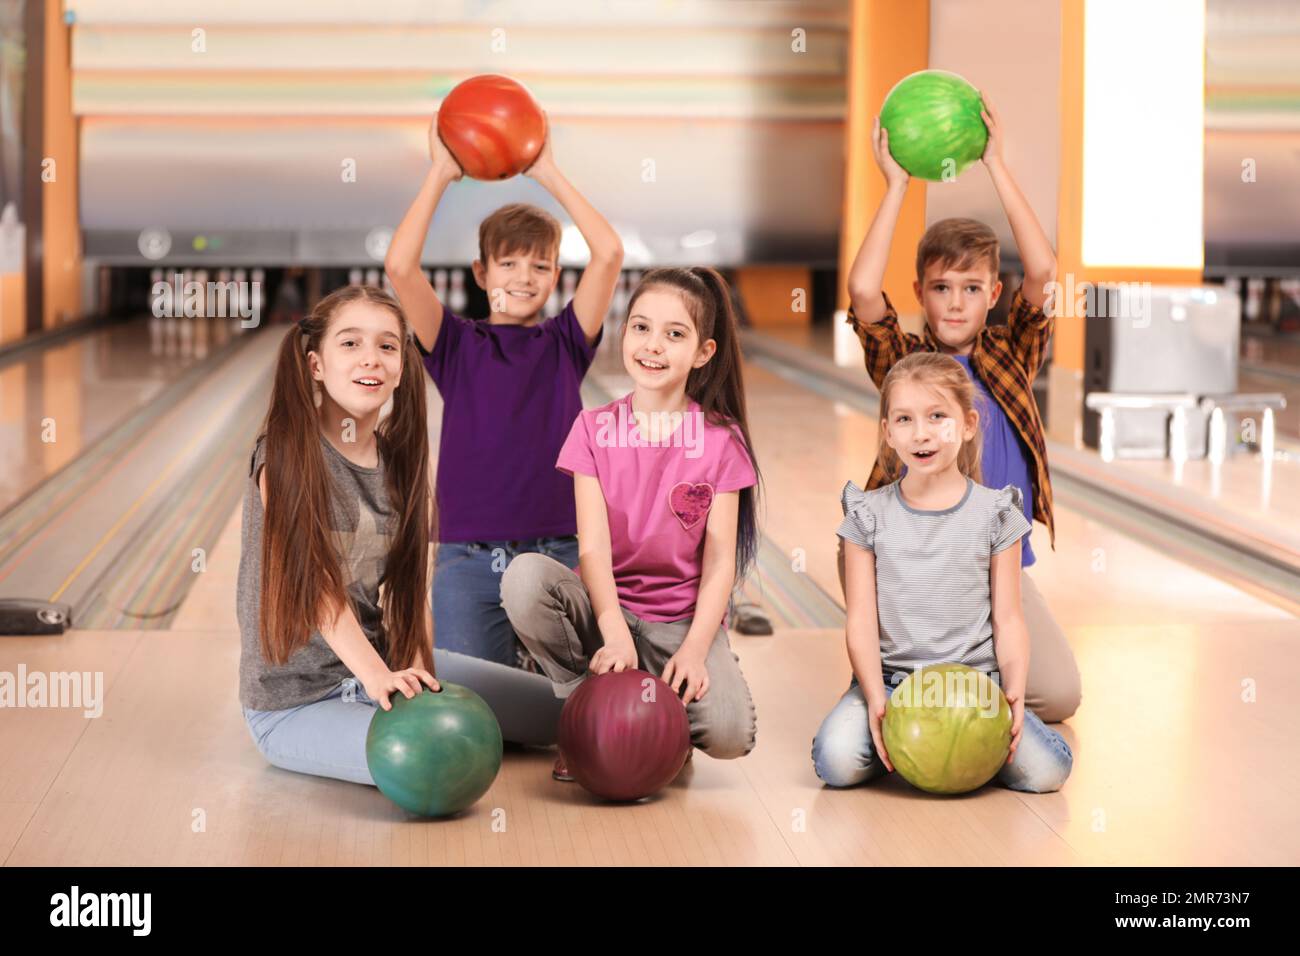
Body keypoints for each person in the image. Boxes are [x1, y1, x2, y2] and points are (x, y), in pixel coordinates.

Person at [238, 285, 565, 786]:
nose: (371, 358)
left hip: (385, 672)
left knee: (564, 715)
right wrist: (378, 679)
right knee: (436, 757)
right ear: (315, 365)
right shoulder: (285, 455)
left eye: (387, 346)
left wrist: (417, 674)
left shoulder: (397, 463)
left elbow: (411, 593)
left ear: (400, 366)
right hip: (295, 703)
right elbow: (317, 587)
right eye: (350, 343)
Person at [841, 96, 1080, 722]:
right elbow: (864, 290)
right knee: (920, 696)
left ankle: (967, 674)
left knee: (1059, 696)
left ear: (992, 295)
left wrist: (995, 164)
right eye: (941, 288)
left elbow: (1044, 270)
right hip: (917, 574)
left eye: (972, 289)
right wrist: (896, 184)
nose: (954, 303)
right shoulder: (905, 362)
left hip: (998, 567)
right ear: (920, 291)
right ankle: (904, 676)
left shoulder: (1010, 354)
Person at [501, 268, 761, 781]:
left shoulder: (721, 442)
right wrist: (615, 632)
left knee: (732, 735)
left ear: (704, 353)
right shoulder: (593, 429)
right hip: (606, 615)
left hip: (680, 624)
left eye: (675, 334)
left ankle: (657, 720)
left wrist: (693, 651)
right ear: (624, 332)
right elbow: (593, 550)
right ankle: (586, 715)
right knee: (523, 578)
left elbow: (719, 564)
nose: (653, 346)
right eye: (641, 328)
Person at [812, 352, 1073, 792]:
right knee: (835, 763)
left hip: (976, 686)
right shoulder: (866, 513)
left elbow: (1008, 619)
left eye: (938, 416)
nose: (922, 433)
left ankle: (956, 749)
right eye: (905, 419)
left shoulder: (996, 512)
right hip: (894, 684)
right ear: (888, 432)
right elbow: (860, 619)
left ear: (968, 424)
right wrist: (875, 696)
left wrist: (1012, 693)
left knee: (1049, 772)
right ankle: (898, 743)